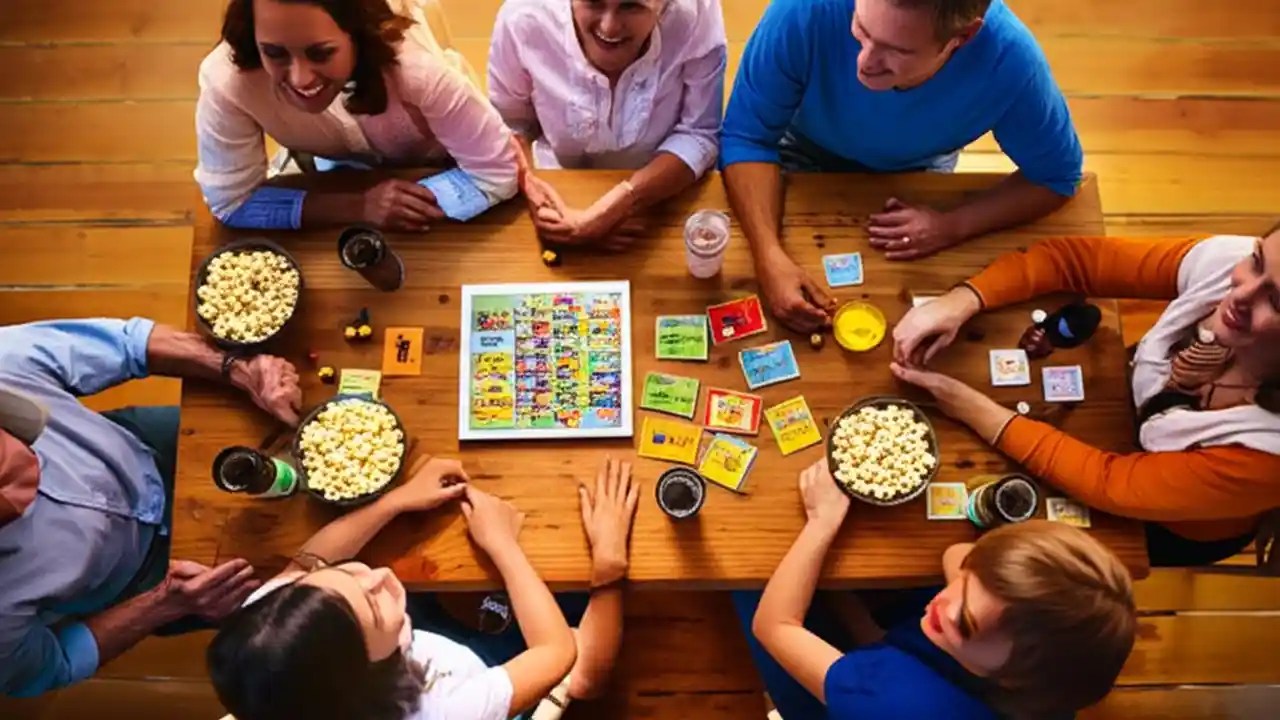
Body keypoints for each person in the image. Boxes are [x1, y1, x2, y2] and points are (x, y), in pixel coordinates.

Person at [891, 226, 1280, 568]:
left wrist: (971, 407)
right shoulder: (1228, 266)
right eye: (1257, 260)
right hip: (1122, 416)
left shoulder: (1267, 457)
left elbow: (1110, 484)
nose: (1241, 293)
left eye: (1276, 301)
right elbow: (1073, 260)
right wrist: (963, 300)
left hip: (1167, 525)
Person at [721, 0, 1083, 332]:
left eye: (897, 50)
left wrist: (952, 225)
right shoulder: (800, 10)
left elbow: (1057, 177)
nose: (864, 63)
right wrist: (768, 255)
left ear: (963, 37)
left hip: (916, 173)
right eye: (861, 29)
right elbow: (747, 136)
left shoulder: (1012, 62)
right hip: (799, 151)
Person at [0, 318, 302, 697]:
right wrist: (164, 604)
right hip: (155, 582)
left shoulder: (3, 363)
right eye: (8, 502)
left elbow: (128, 345)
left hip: (153, 447)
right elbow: (49, 666)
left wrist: (238, 370)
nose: (35, 472)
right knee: (318, 595)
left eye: (15, 442)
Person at [208, 455, 639, 719]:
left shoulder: (272, 626)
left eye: (345, 575)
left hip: (420, 644)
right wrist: (605, 564)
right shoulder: (440, 711)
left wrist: (395, 501)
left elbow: (308, 562)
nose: (377, 576)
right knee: (580, 654)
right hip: (483, 671)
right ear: (377, 674)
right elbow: (562, 659)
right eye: (375, 606)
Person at [737, 461, 1136, 719]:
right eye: (967, 580)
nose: (942, 602)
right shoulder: (1050, 676)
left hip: (868, 703)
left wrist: (822, 521)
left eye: (965, 621)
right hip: (912, 671)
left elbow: (774, 625)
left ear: (1015, 678)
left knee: (750, 576)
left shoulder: (897, 703)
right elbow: (959, 553)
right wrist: (973, 589)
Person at [196, 0, 520, 231]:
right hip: (331, 173)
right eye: (275, 53)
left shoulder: (415, 68)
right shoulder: (227, 80)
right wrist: (359, 207)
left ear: (357, 35)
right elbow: (231, 202)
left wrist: (403, 204)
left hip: (441, 159)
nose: (300, 78)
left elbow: (498, 171)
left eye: (320, 53)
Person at [488, 0, 726, 249]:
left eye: (631, 6)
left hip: (662, 197)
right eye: (593, 2)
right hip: (556, 191)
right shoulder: (523, 18)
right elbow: (507, 123)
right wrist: (534, 191)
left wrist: (626, 201)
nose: (609, 27)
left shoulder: (697, 13)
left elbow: (699, 132)